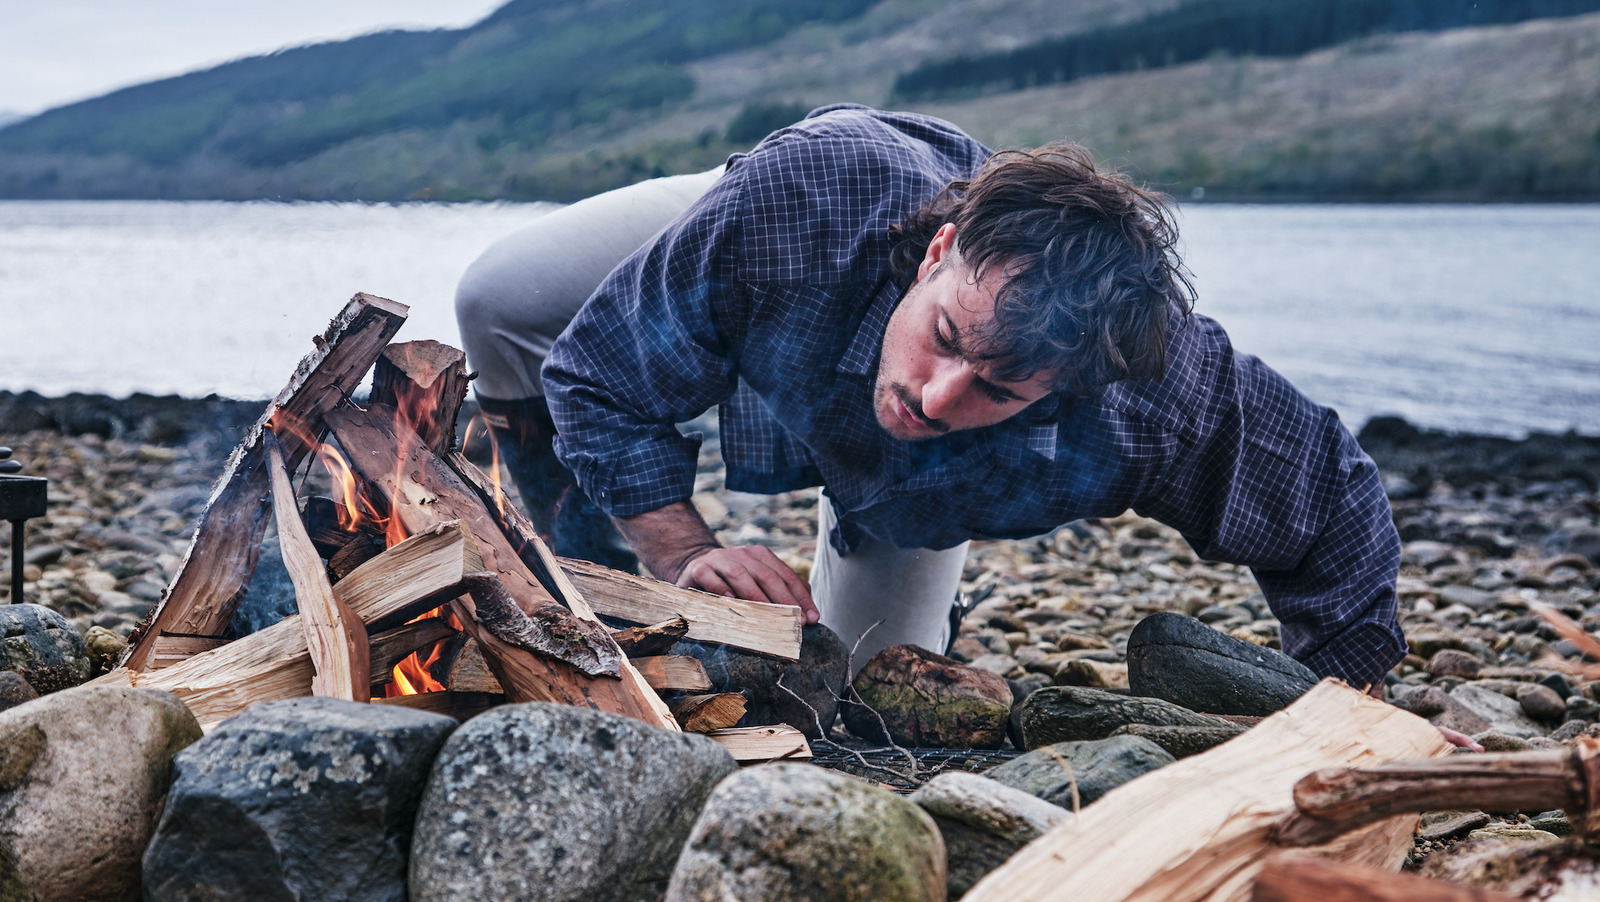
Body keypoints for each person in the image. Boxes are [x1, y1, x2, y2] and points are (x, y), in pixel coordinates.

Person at [456, 104, 1409, 707]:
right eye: (946, 340)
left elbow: (1336, 501)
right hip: (795, 239)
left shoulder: (1147, 397)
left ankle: (875, 541)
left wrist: (1345, 709)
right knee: (496, 299)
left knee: (866, 694)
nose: (935, 396)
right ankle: (580, 564)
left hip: (909, 497)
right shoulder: (800, 199)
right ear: (938, 253)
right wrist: (682, 551)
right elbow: (598, 373)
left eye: (998, 388)